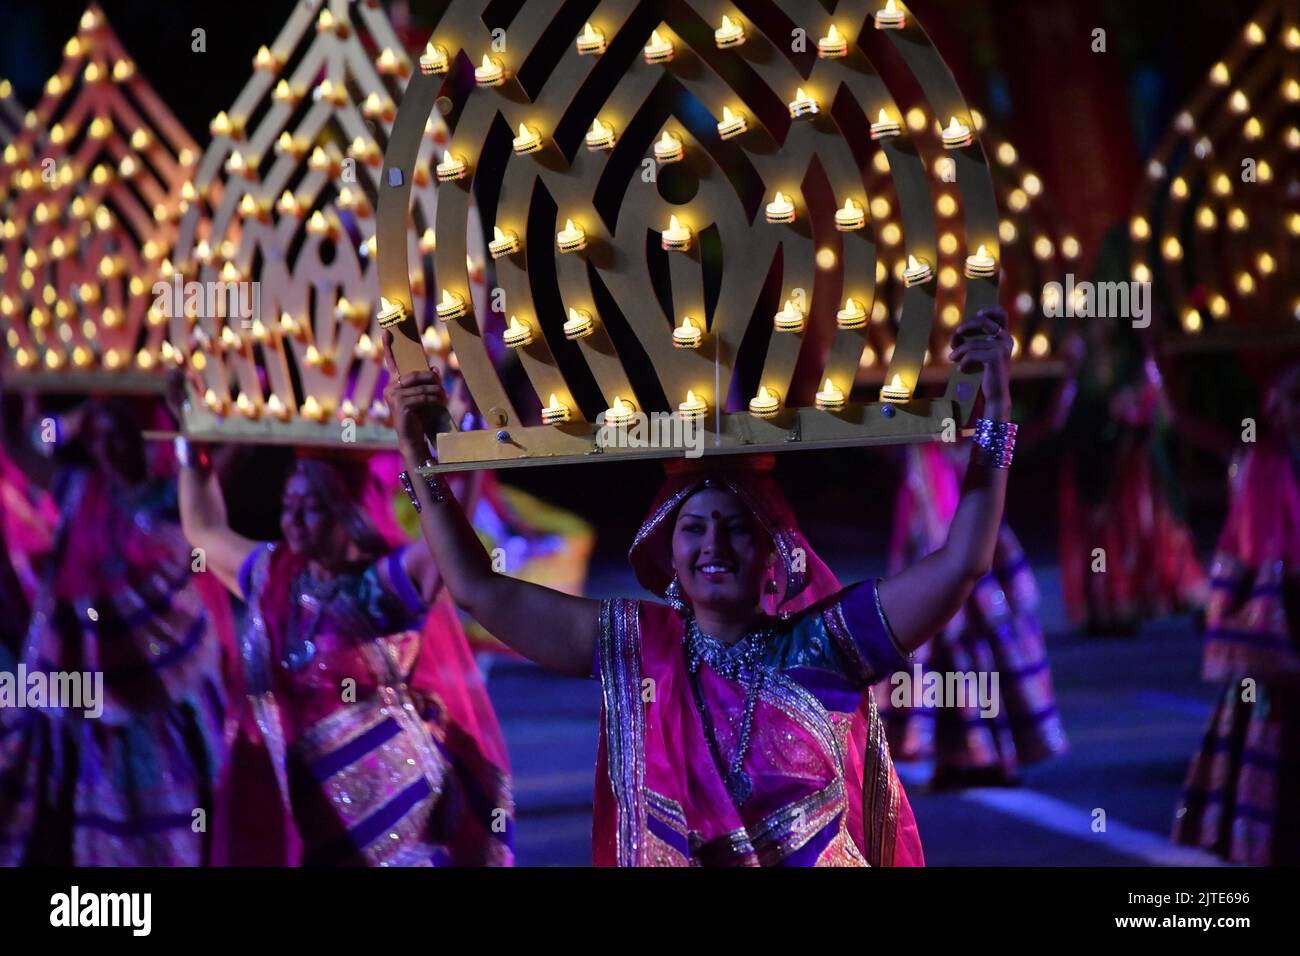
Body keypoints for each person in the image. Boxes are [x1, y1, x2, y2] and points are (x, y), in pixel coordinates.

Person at [384, 308, 1016, 866]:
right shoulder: (637, 649)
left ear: (774, 550)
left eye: (736, 527)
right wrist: (422, 463)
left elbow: (963, 561)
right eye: (695, 528)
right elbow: (476, 589)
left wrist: (996, 416)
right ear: (668, 547)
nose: (713, 544)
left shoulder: (826, 645)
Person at [172, 403, 513, 866]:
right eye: (287, 506)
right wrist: (191, 447)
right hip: (314, 815)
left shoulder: (379, 586)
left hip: (400, 817)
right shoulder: (272, 576)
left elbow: (445, 544)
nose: (292, 520)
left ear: (347, 513)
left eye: (310, 508)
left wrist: (466, 461)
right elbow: (205, 529)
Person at [0, 396, 235, 865]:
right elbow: (30, 442)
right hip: (89, 696)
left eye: (124, 434)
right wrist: (73, 417)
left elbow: (216, 458)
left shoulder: (173, 496)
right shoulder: (77, 484)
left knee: (168, 824)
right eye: (102, 436)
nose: (112, 447)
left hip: (160, 699)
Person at [880, 439, 1068, 788]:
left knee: (972, 652)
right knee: (954, 656)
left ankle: (985, 755)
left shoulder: (958, 434)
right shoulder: (929, 440)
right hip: (950, 542)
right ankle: (961, 756)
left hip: (966, 543)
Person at [1172, 363, 1300, 864]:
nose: (1291, 413)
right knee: (1269, 728)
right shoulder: (1260, 464)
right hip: (1274, 624)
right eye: (1289, 403)